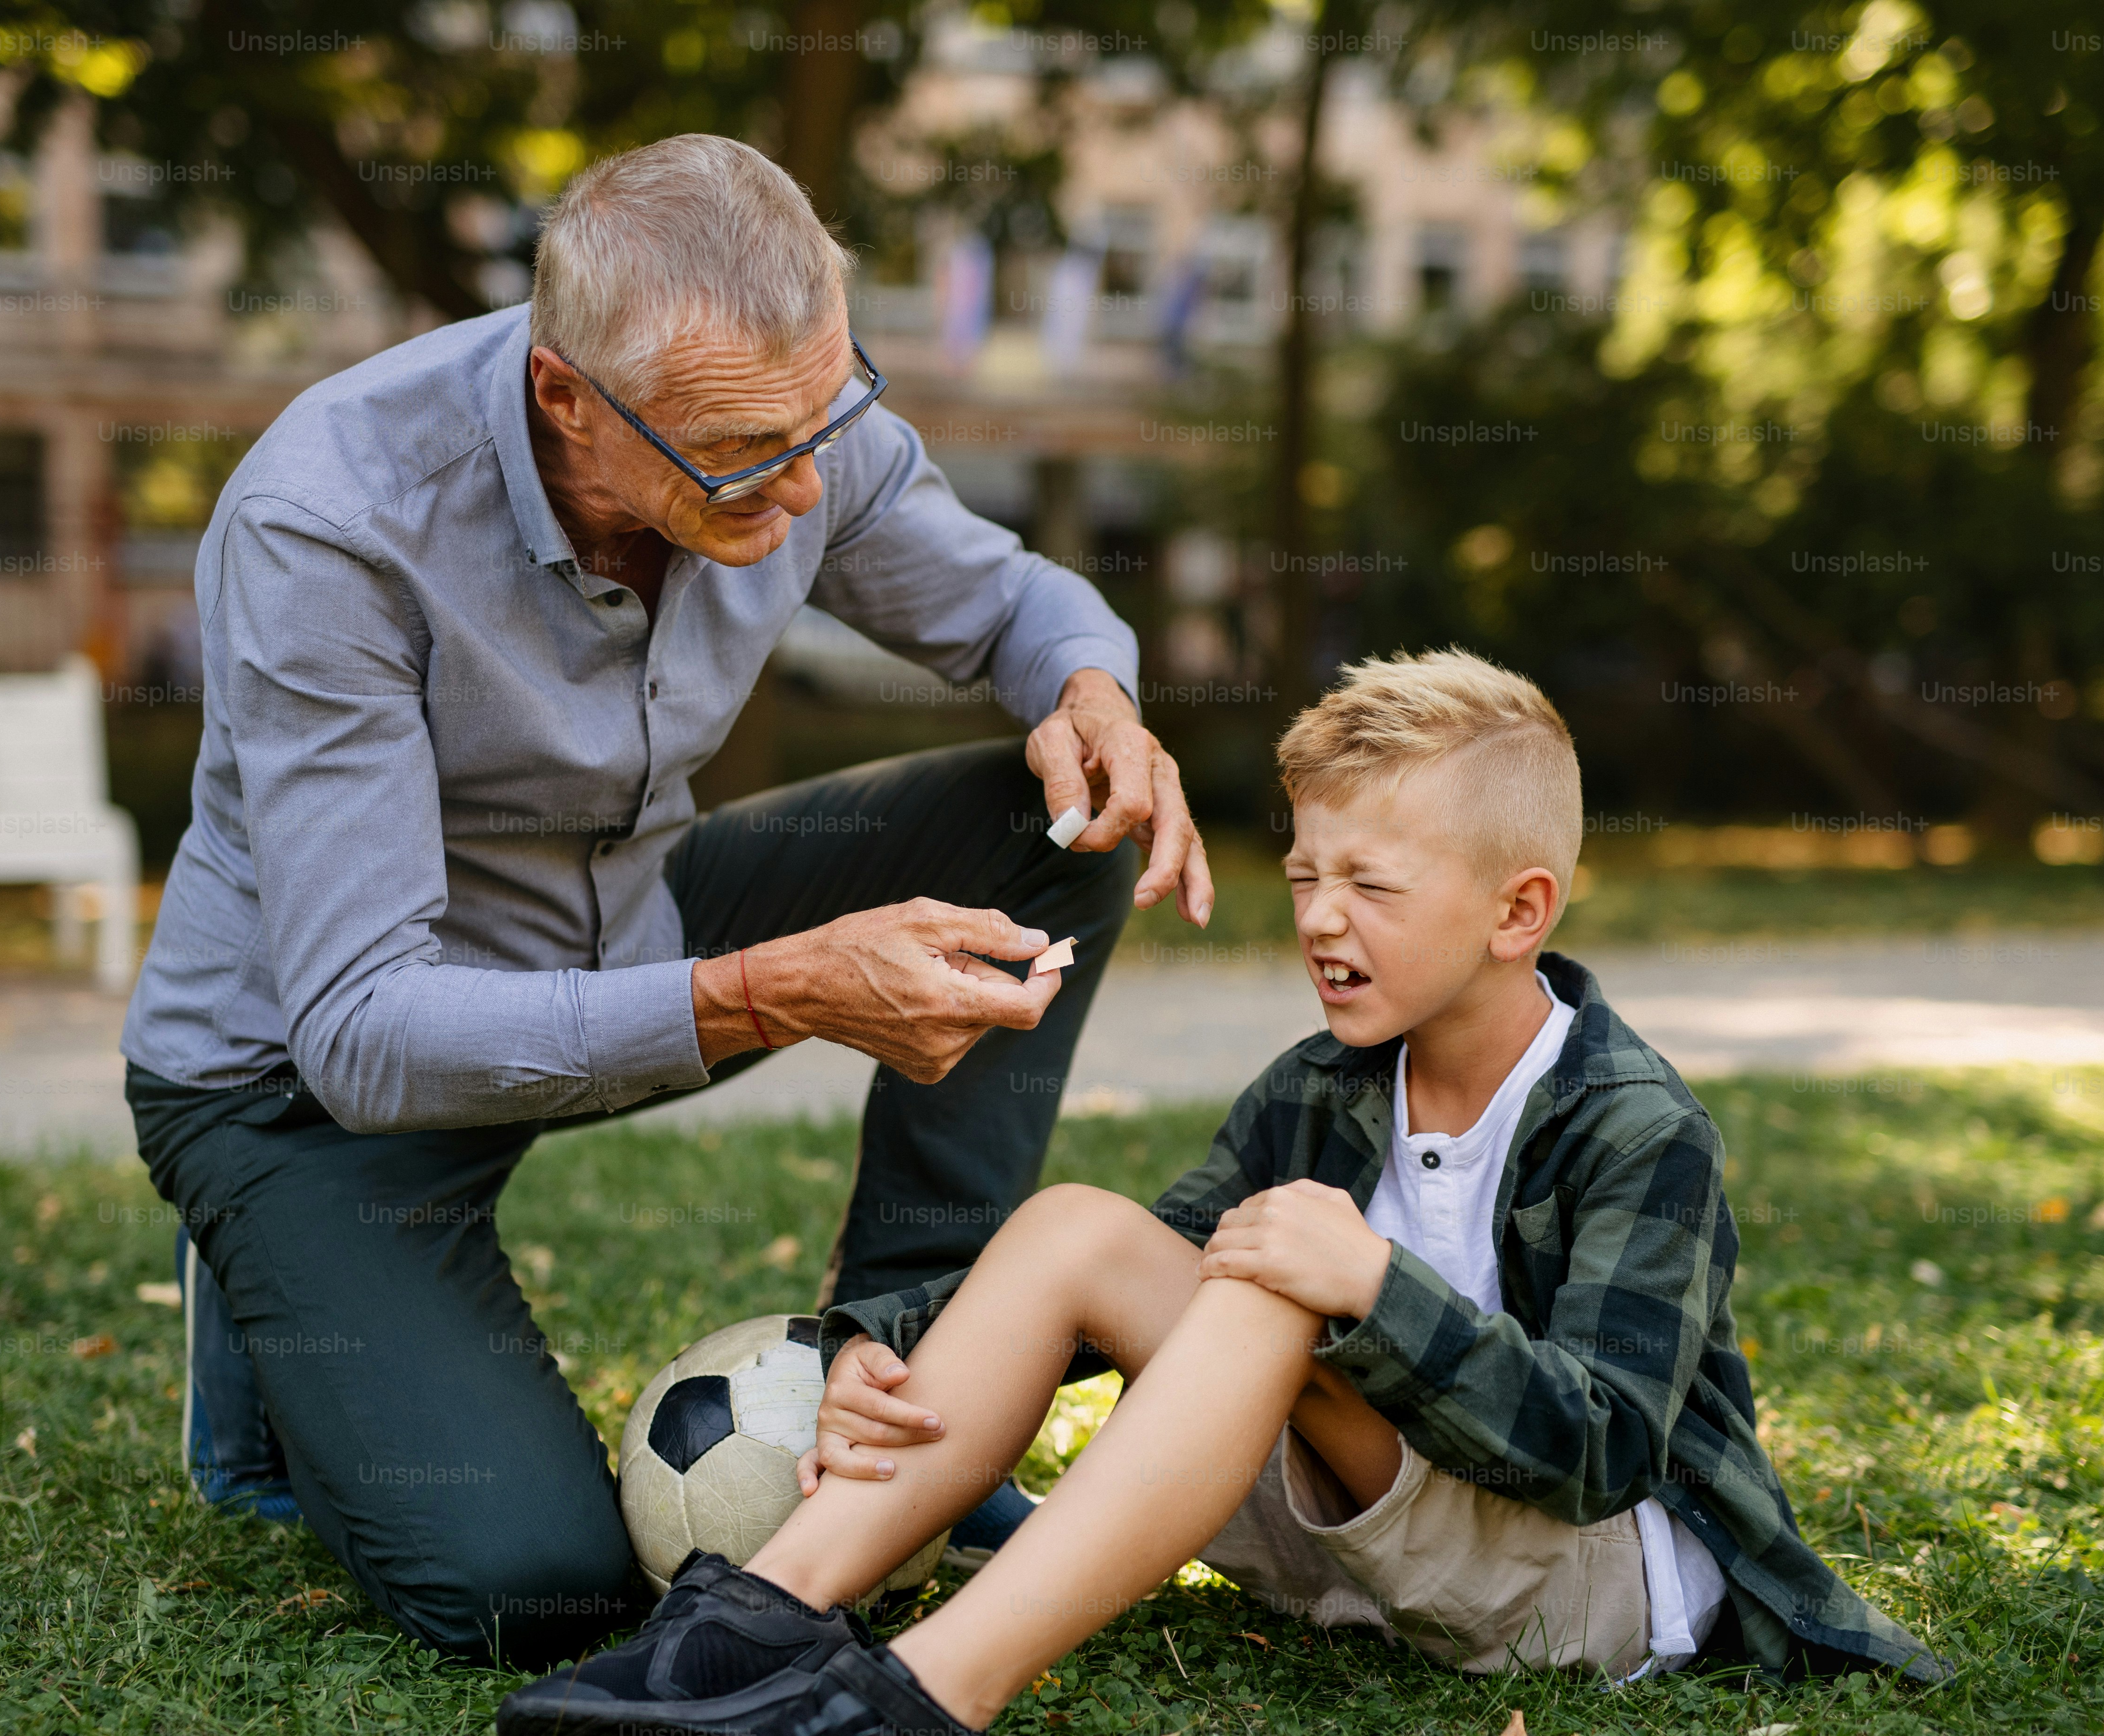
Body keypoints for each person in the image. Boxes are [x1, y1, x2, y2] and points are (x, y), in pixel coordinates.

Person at [118, 134, 1214, 1664]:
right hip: (311, 1077)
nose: (807, 483)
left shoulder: (783, 415)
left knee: (1062, 823)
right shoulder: (331, 525)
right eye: (745, 451)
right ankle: (269, 1286)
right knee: (533, 1585)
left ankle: (923, 1379)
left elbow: (1015, 602)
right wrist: (777, 991)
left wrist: (1091, 691)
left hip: (621, 926)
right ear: (567, 396)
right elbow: (361, 1031)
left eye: (823, 420)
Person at [500, 650, 1946, 1736]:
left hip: (1576, 1584)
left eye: (1371, 886)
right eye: (1304, 873)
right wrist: (877, 1338)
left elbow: (1602, 1450)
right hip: (1364, 1542)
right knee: (1081, 1226)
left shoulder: (1632, 1126)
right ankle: (742, 1631)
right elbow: (1134, 1267)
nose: (1318, 916)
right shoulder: (1322, 1085)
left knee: (1272, 1288)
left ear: (1518, 911)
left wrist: (1373, 1292)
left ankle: (918, 1697)